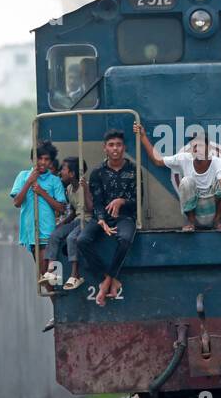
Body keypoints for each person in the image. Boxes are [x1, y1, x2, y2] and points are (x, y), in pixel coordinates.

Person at [132, 122, 221, 232]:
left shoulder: (219, 163)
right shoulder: (184, 159)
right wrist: (142, 136)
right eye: (194, 146)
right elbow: (158, 161)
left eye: (200, 145)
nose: (197, 149)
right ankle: (190, 222)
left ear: (209, 147)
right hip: (195, 212)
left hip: (214, 210)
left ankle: (218, 221)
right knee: (186, 181)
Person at [77, 129, 138, 306]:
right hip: (102, 218)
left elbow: (137, 202)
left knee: (125, 239)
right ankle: (106, 278)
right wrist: (101, 220)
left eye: (118, 145)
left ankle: (107, 282)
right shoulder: (97, 173)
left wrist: (121, 201)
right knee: (82, 240)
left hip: (125, 218)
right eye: (111, 145)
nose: (115, 149)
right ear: (105, 148)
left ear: (124, 147)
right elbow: (97, 202)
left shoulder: (134, 171)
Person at [10, 141, 68, 280]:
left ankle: (59, 299)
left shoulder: (54, 181)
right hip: (31, 232)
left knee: (47, 277)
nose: (42, 162)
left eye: (46, 159)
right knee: (44, 277)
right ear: (33, 159)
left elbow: (61, 208)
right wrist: (29, 182)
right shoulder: (23, 176)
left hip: (47, 232)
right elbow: (17, 202)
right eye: (39, 158)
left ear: (51, 162)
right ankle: (57, 299)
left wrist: (42, 192)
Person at [42, 156, 87, 290]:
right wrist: (62, 224)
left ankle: (75, 274)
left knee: (71, 238)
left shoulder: (84, 188)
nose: (60, 172)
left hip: (87, 220)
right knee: (55, 234)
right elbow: (73, 211)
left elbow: (90, 209)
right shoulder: (68, 189)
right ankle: (51, 271)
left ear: (72, 173)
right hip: (76, 219)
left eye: (64, 169)